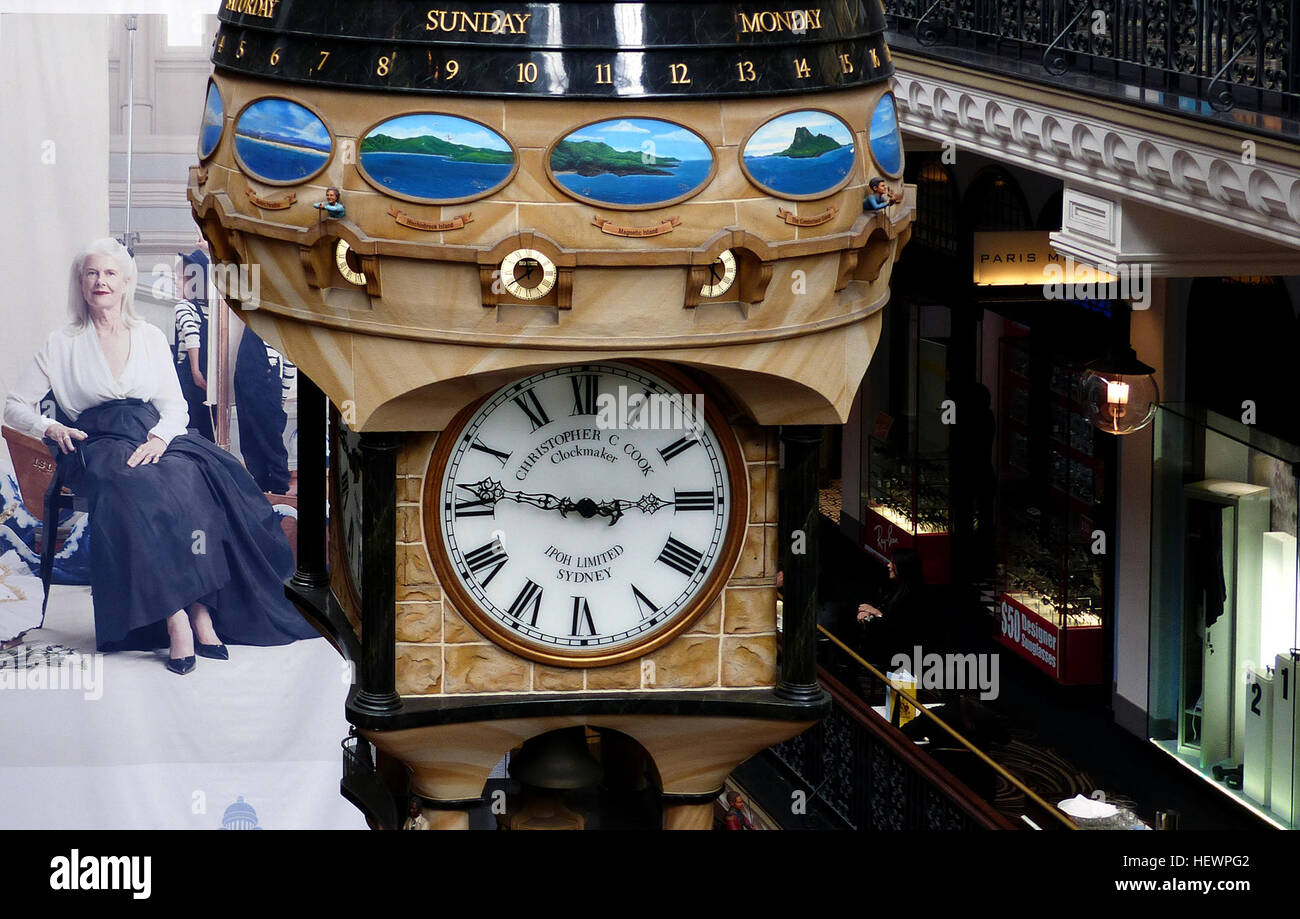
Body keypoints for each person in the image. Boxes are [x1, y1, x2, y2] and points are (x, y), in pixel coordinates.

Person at [3, 238, 318, 675]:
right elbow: (14, 405)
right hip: (93, 442)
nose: (101, 281)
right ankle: (176, 616)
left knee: (204, 476)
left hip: (153, 433)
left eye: (110, 273)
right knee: (135, 487)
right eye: (92, 273)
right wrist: (49, 427)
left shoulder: (148, 336)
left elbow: (176, 407)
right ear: (80, 282)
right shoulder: (62, 341)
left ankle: (202, 607)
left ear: (126, 282)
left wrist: (159, 439)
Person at [233, 324, 295, 495]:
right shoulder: (253, 313)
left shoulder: (278, 315)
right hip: (247, 377)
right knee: (249, 440)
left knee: (270, 441)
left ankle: (279, 493)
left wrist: (282, 395)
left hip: (265, 377)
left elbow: (290, 358)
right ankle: (262, 489)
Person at [856, 548, 926, 671]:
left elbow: (900, 629)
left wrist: (876, 613)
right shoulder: (895, 590)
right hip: (893, 659)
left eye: (893, 562)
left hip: (906, 661)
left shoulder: (914, 596)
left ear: (903, 566)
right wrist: (868, 613)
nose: (888, 565)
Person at [173, 247, 214, 441]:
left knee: (187, 434)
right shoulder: (212, 311)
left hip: (189, 380)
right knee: (209, 435)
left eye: (181, 277)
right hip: (209, 383)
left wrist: (196, 372)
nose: (175, 281)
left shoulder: (184, 306)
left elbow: (191, 334)